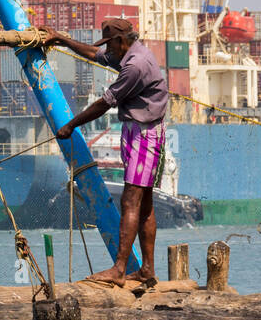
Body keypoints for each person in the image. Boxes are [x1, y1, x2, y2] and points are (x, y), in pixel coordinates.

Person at [46, 18, 169, 286]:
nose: (107, 50)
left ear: (120, 41)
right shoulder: (129, 53)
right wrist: (60, 38)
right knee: (144, 203)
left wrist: (70, 125)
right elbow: (94, 53)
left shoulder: (134, 66)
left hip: (145, 134)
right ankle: (147, 270)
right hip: (139, 129)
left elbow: (104, 103)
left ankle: (119, 270)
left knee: (130, 201)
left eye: (109, 45)